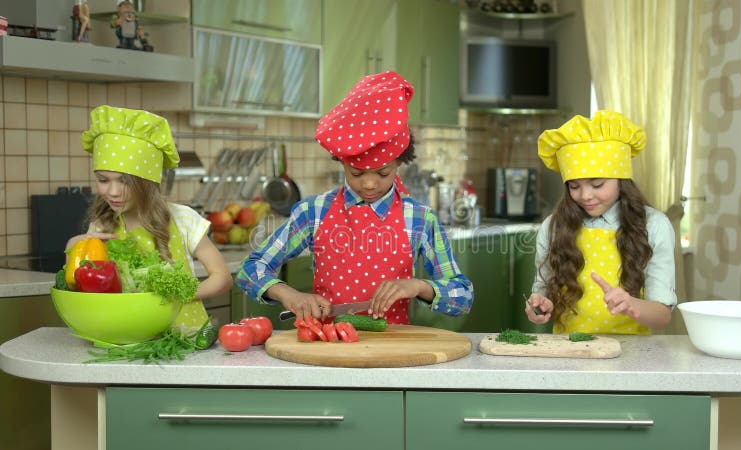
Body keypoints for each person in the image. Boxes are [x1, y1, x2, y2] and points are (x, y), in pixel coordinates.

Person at [236, 71, 473, 324]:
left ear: (400, 163)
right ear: (342, 162)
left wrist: (418, 286)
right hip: (326, 347)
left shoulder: (418, 218)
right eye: (356, 173)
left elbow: (463, 297)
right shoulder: (313, 212)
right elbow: (250, 270)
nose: (369, 184)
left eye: (383, 173)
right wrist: (289, 294)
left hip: (392, 351)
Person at [67, 105, 233, 333]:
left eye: (124, 181)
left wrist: (179, 295)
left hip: (186, 339)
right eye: (103, 180)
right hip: (130, 338)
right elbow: (85, 287)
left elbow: (222, 278)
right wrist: (73, 249)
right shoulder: (101, 225)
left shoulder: (183, 219)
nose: (113, 191)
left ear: (146, 183)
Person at [525, 110, 676, 334]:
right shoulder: (553, 226)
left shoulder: (654, 225)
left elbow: (662, 317)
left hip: (632, 356)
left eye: (597, 185)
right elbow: (543, 291)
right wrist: (540, 305)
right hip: (570, 354)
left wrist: (630, 304)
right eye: (574, 186)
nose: (585, 195)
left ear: (621, 180)